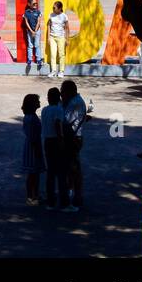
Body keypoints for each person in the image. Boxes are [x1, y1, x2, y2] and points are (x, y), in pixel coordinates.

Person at [60, 79, 88, 210]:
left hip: (73, 138)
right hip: (72, 137)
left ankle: (77, 196)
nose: (61, 94)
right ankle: (72, 193)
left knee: (74, 168)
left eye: (63, 92)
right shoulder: (73, 101)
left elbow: (66, 121)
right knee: (70, 167)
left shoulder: (75, 103)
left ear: (70, 91)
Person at [40, 87, 70, 210]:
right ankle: (64, 203)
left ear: (48, 98)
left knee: (51, 173)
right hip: (56, 141)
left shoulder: (44, 110)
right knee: (62, 173)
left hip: (47, 141)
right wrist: (61, 140)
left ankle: (50, 201)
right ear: (59, 98)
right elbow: (58, 124)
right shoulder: (59, 109)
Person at [21, 93, 45, 205]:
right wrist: (38, 151)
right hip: (33, 148)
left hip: (32, 146)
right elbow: (33, 137)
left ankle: (35, 195)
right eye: (37, 101)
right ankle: (30, 196)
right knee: (32, 174)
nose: (39, 103)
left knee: (35, 173)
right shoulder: (31, 118)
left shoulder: (30, 116)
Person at [47, 0, 70, 78]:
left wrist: (67, 39)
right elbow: (48, 26)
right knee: (53, 54)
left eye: (54, 8)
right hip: (52, 37)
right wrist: (48, 38)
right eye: (53, 7)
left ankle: (61, 71)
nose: (53, 9)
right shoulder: (51, 15)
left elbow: (67, 28)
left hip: (61, 37)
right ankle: (53, 71)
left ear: (60, 8)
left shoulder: (64, 16)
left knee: (61, 54)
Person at [22, 0, 44, 74]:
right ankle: (29, 59)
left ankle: (38, 59)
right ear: (29, 4)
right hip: (29, 31)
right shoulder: (26, 13)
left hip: (37, 31)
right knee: (30, 45)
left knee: (37, 45)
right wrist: (31, 31)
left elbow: (38, 21)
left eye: (36, 3)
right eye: (34, 4)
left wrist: (35, 31)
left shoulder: (38, 12)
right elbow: (26, 22)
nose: (35, 5)